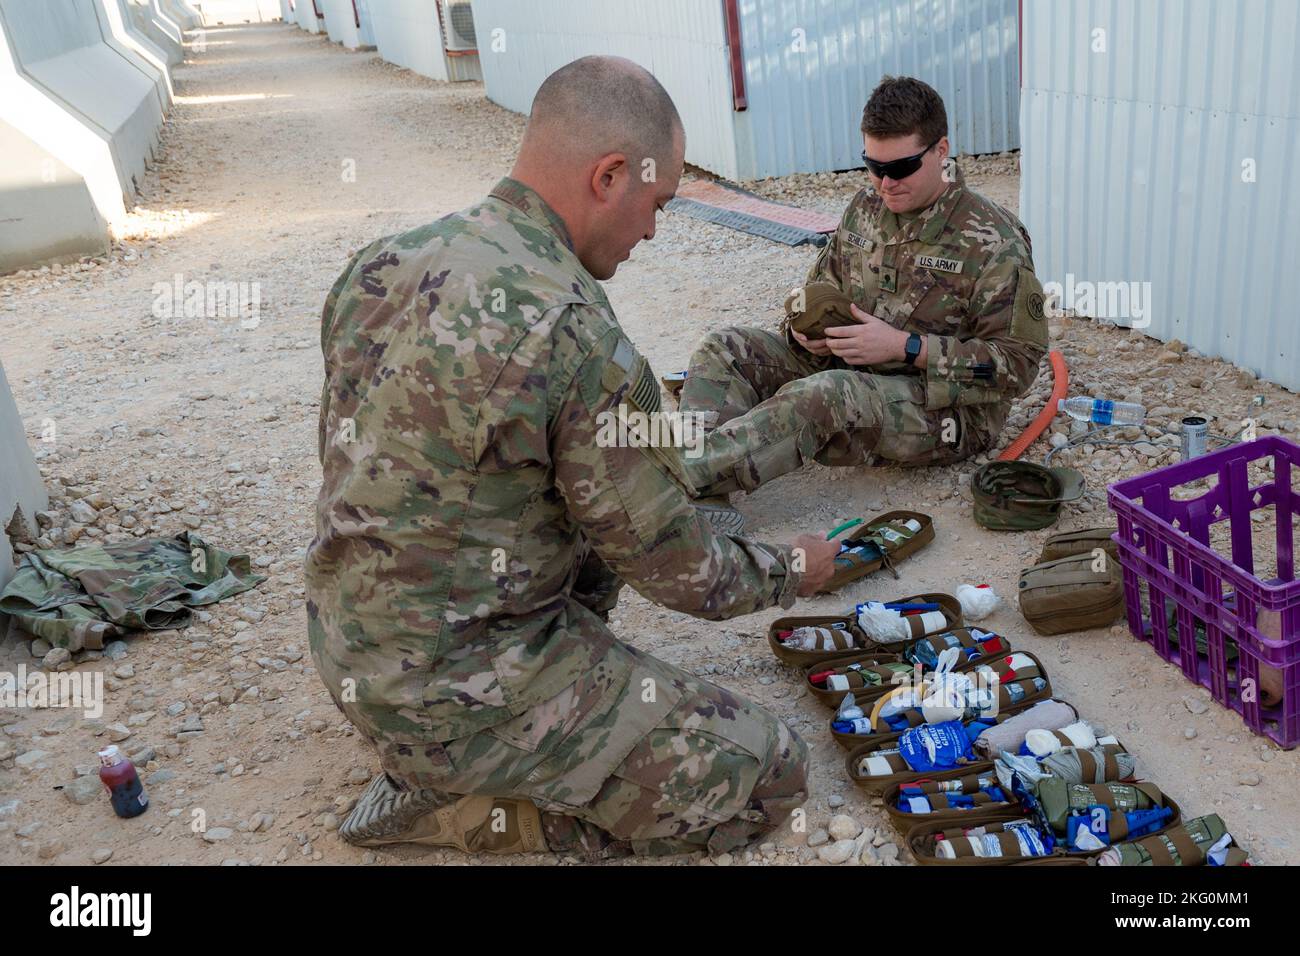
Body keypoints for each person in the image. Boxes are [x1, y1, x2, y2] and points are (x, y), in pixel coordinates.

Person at [304, 54, 842, 861]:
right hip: (451, 693)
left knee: (584, 513)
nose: (652, 230)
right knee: (766, 774)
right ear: (609, 176)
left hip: (351, 650)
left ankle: (475, 736)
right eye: (656, 204)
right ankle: (464, 804)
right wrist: (793, 569)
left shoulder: (381, 263)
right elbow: (681, 571)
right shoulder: (574, 333)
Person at [678, 76, 1050, 531]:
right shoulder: (865, 208)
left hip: (942, 409)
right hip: (851, 370)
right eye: (873, 166)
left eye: (902, 167)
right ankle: (702, 483)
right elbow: (818, 291)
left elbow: (1019, 366)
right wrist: (804, 331)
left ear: (941, 151)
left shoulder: (993, 240)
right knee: (724, 348)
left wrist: (906, 348)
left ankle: (672, 482)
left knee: (829, 394)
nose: (885, 183)